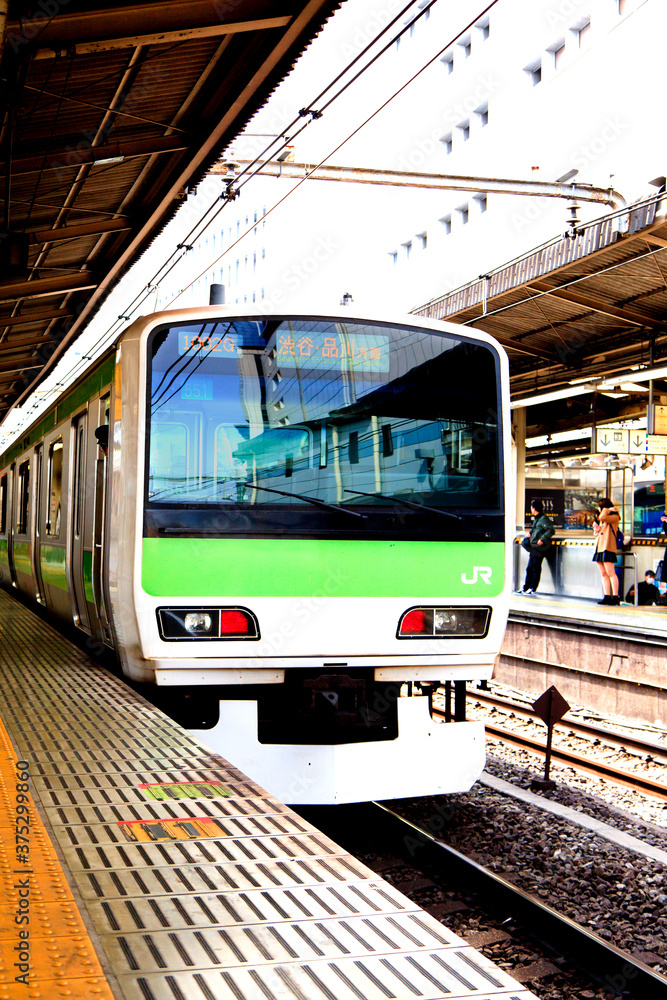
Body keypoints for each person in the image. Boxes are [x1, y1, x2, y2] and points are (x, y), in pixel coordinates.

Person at [516, 499, 555, 595]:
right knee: (530, 568)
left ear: (534, 508)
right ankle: (526, 587)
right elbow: (538, 530)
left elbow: (551, 530)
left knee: (535, 567)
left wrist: (542, 539)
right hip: (534, 547)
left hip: (539, 547)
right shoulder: (538, 518)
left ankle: (533, 588)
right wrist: (531, 534)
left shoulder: (543, 519)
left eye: (531, 507)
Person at [593, 497, 621, 605]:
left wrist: (608, 510)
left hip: (608, 547)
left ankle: (616, 596)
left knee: (611, 573)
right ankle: (607, 596)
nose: (599, 509)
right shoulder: (602, 519)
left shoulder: (614, 517)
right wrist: (596, 531)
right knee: (603, 574)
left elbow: (602, 517)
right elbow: (597, 534)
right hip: (599, 547)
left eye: (600, 507)